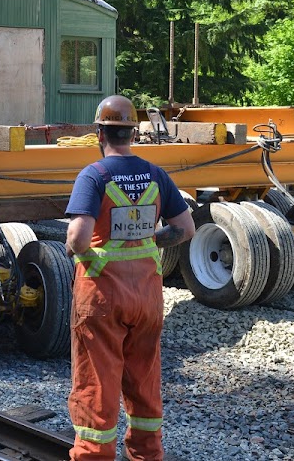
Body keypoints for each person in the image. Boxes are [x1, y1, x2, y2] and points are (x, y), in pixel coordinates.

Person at [64, 95, 196, 461]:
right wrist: (152, 240)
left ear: (99, 133)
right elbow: (185, 229)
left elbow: (77, 237)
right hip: (147, 297)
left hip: (103, 297)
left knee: (97, 384)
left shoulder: (94, 176)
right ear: (133, 133)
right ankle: (147, 455)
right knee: (144, 382)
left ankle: (93, 455)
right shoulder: (156, 175)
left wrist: (81, 254)